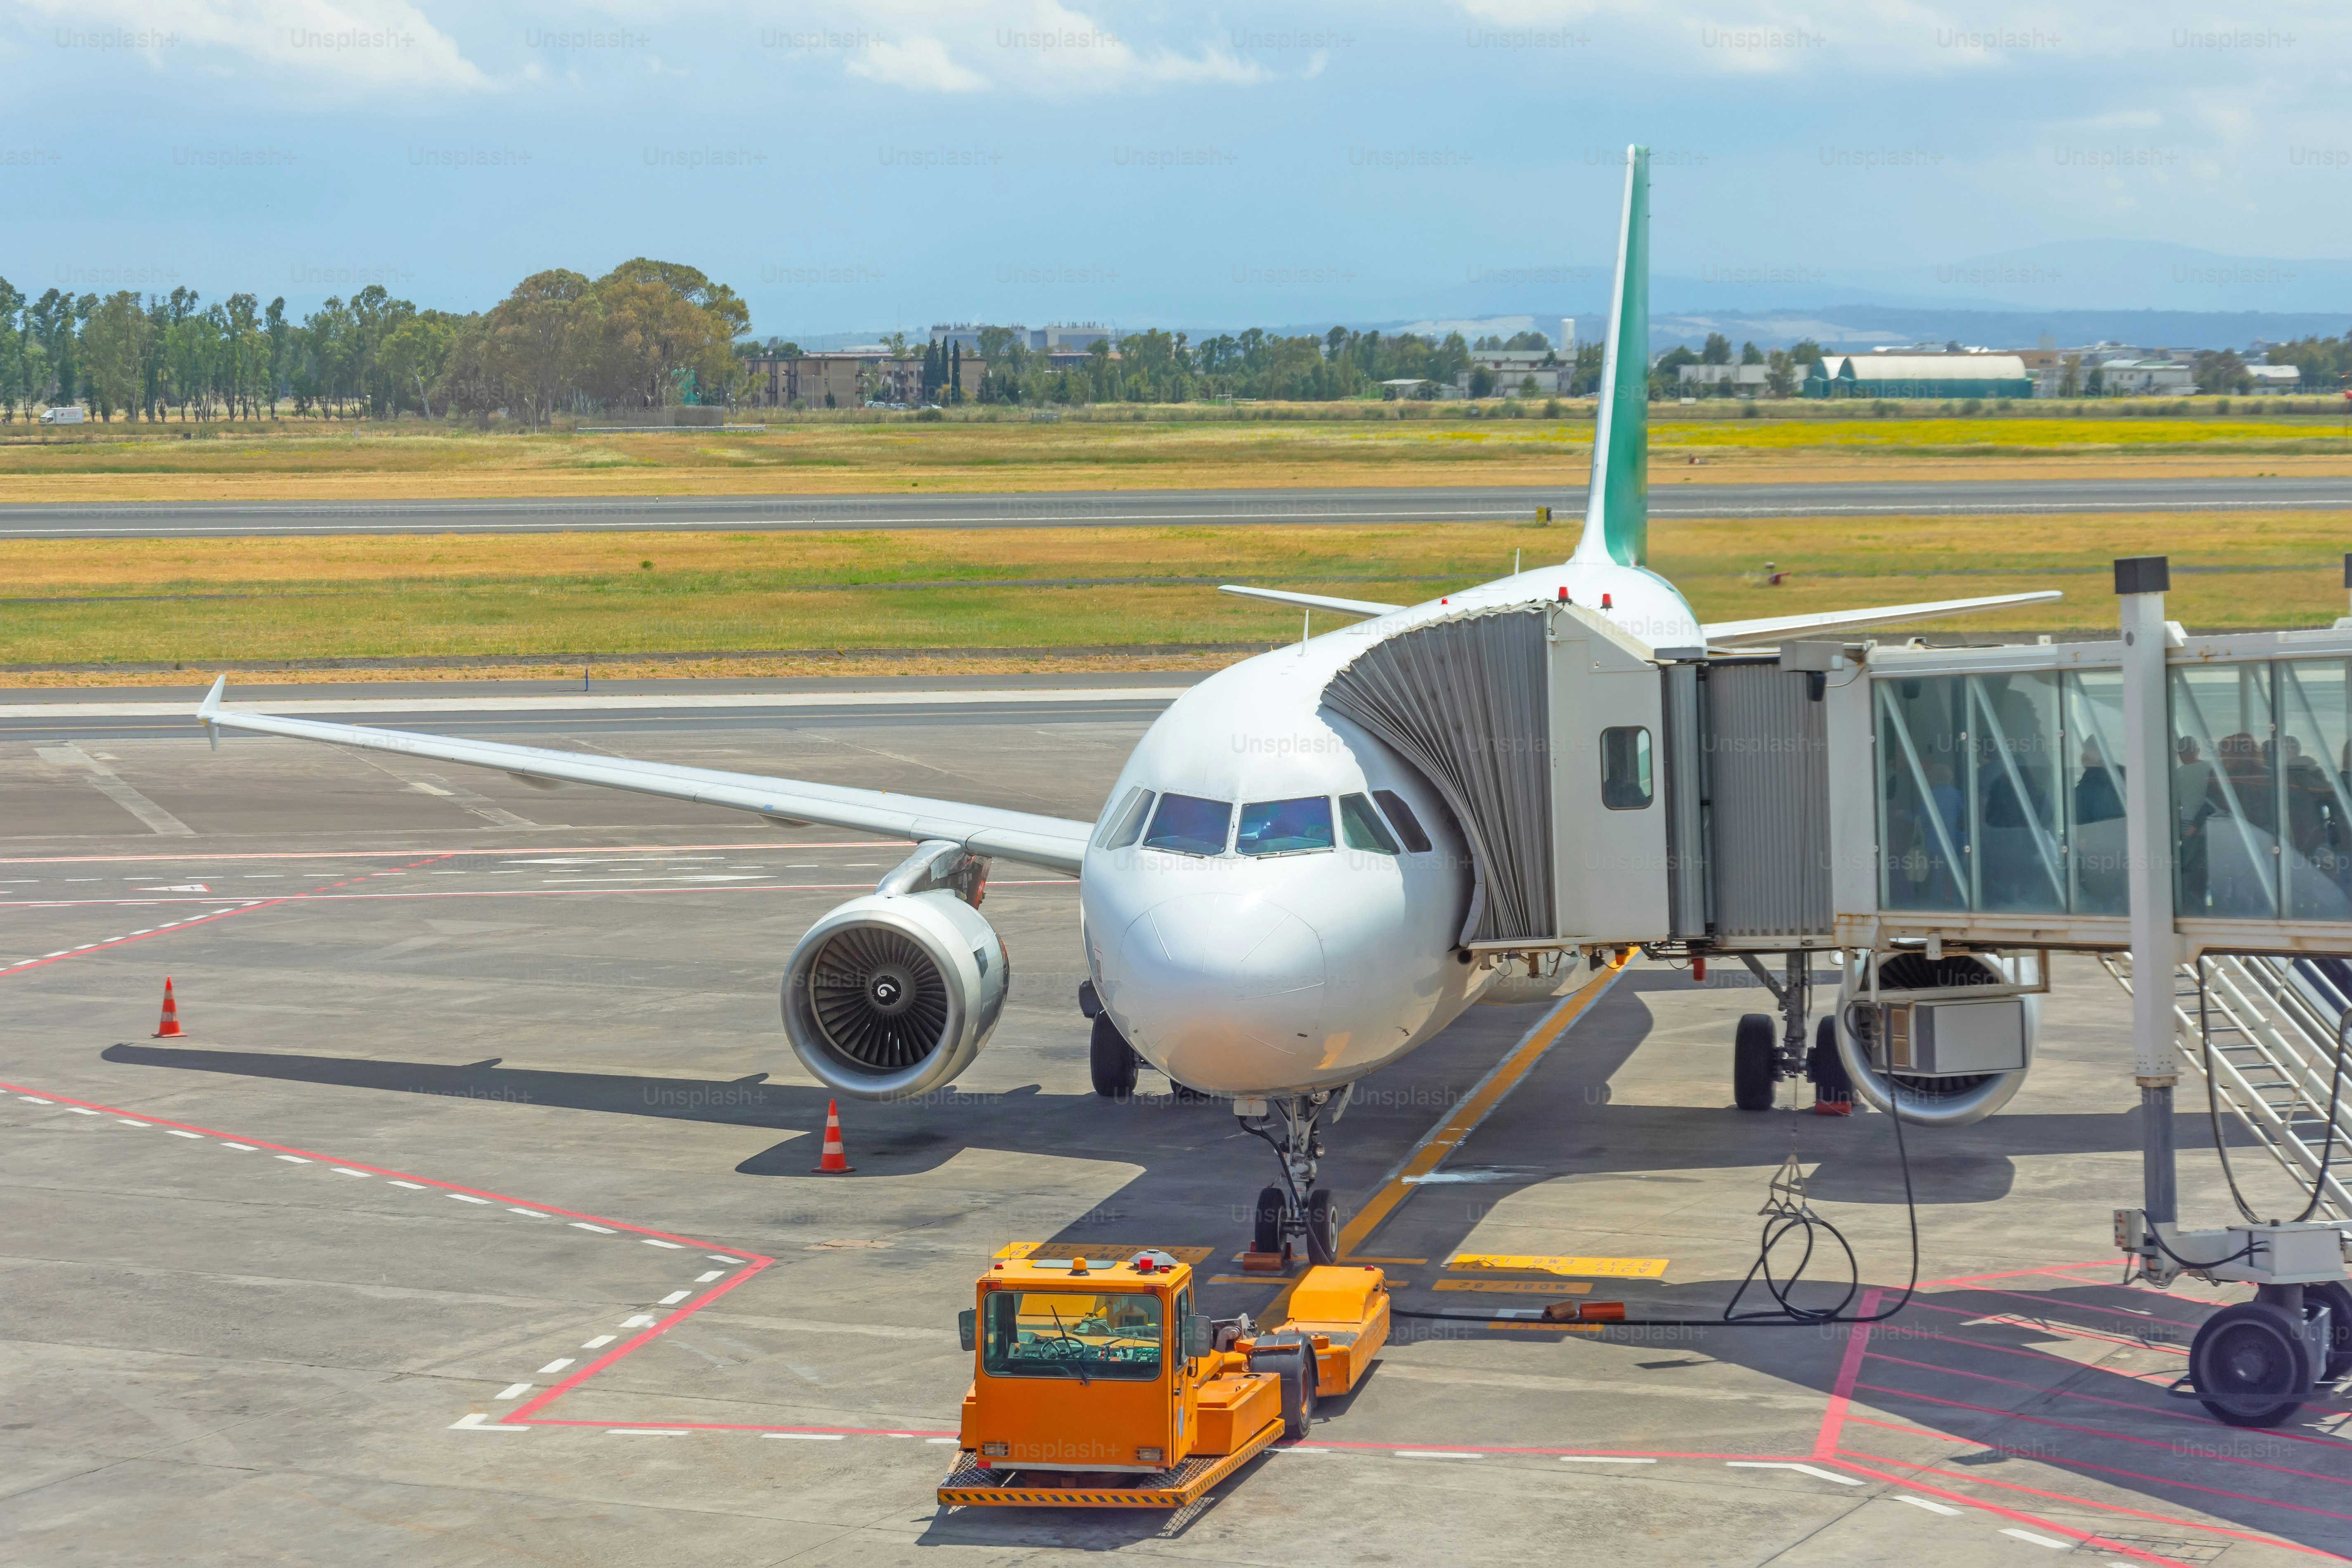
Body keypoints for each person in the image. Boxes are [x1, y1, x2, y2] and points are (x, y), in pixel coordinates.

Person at [2174, 736, 2218, 912]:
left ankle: (2194, 908)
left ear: (2181, 754)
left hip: (2188, 826)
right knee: (2211, 867)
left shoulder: (2179, 774)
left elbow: (2174, 801)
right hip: (2212, 825)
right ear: (2197, 751)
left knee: (2190, 870)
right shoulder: (2211, 768)